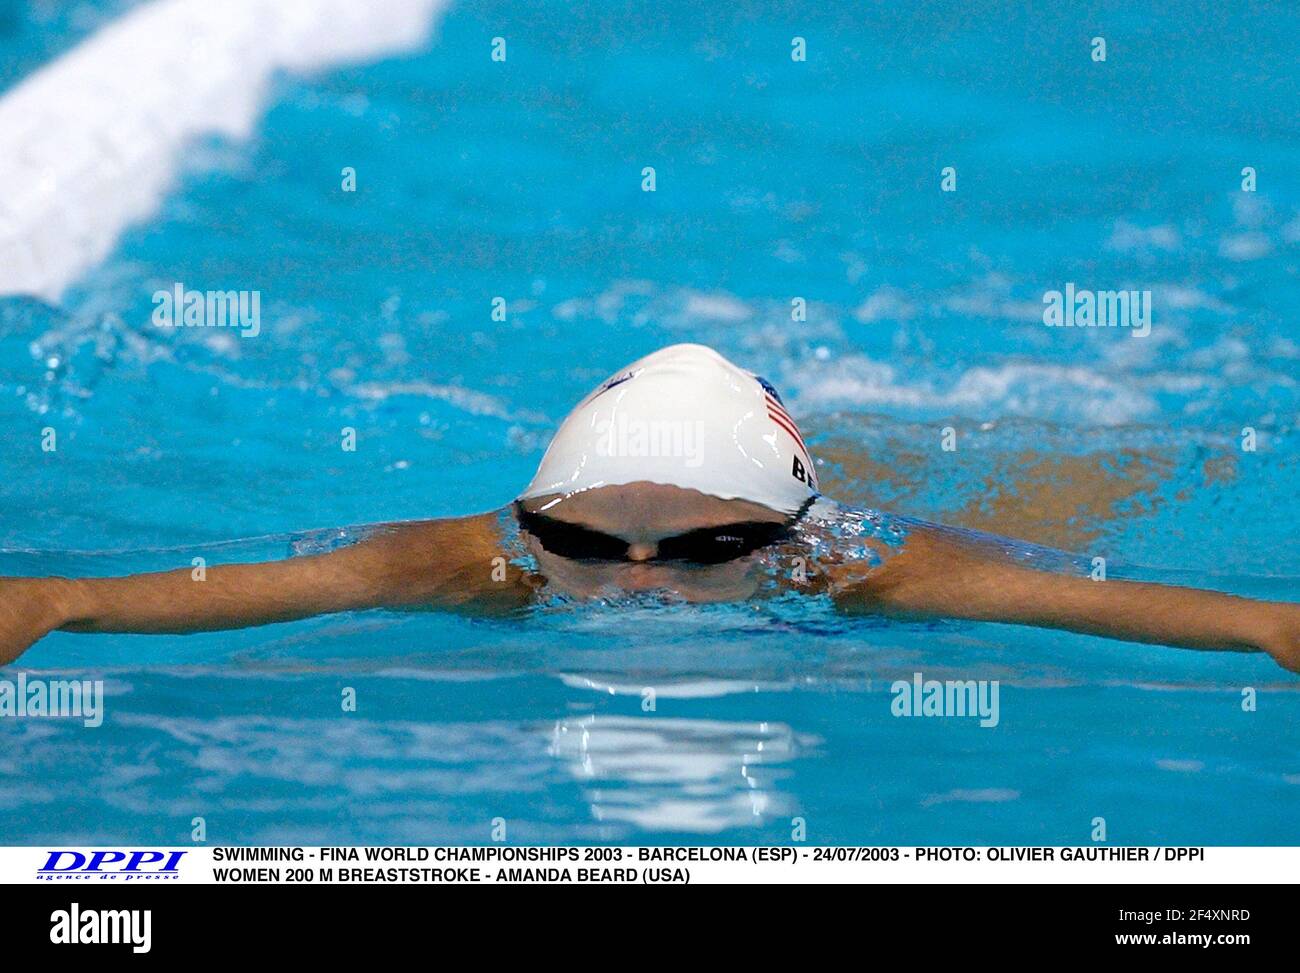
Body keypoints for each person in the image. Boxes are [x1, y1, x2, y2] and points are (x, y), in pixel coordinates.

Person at [2, 344, 1297, 670]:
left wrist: (1270, 630)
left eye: (699, 549)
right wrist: (51, 600)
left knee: (1103, 469)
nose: (632, 581)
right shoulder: (476, 562)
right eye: (583, 542)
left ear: (779, 541)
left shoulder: (854, 567)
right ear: (532, 525)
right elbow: (209, 592)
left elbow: (1098, 596)